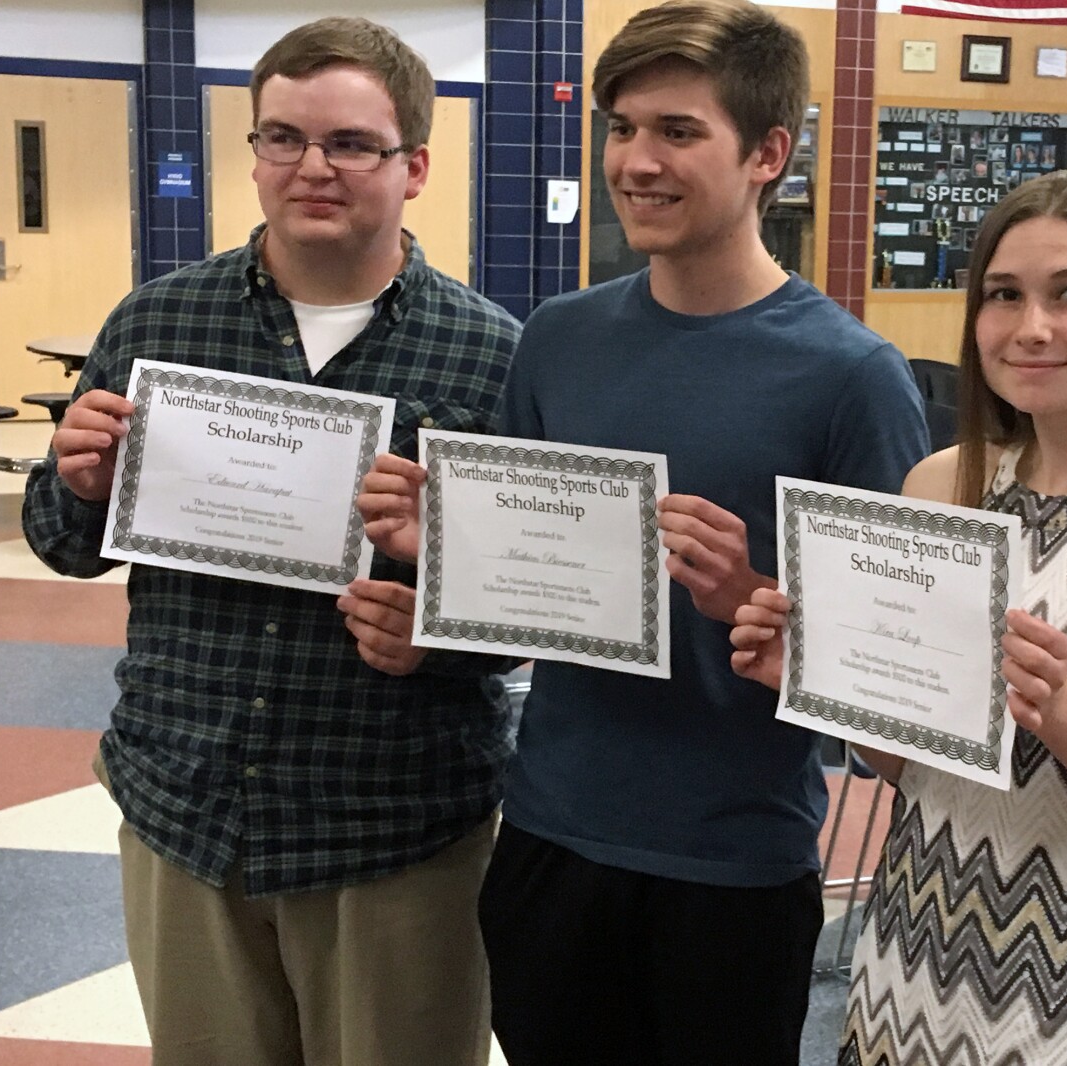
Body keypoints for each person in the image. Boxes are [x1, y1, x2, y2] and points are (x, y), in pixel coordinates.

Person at [356, 3, 929, 1062]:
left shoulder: (852, 378)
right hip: (547, 836)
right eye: (620, 128)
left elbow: (888, 690)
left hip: (731, 864)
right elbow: (516, 617)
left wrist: (753, 596)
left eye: (676, 131)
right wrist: (435, 572)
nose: (635, 161)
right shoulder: (561, 339)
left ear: (768, 154)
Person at [21, 17, 520, 1066]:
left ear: (414, 165)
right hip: (186, 809)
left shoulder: (494, 357)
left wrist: (440, 629)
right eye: (281, 138)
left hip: (391, 830)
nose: (311, 168)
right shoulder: (160, 325)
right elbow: (65, 545)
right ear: (251, 151)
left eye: (350, 144)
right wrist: (77, 483)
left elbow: (525, 616)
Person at [730, 170, 1067, 1065]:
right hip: (912, 951)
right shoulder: (943, 482)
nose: (1031, 327)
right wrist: (823, 678)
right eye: (1003, 295)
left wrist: (1064, 710)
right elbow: (906, 761)